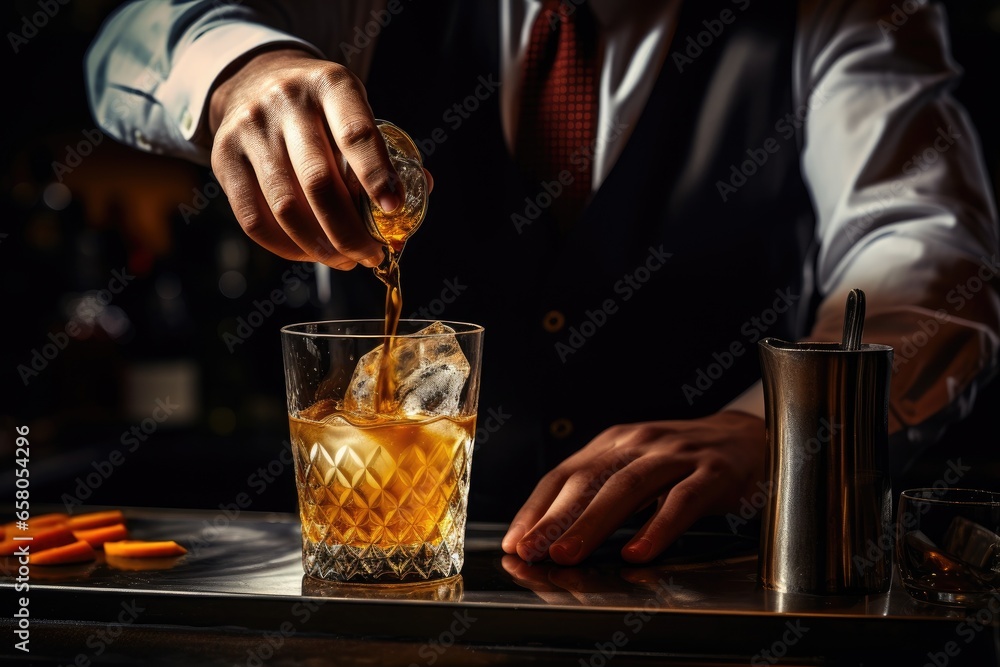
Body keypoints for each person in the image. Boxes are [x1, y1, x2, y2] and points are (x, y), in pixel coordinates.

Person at [85, 0, 1000, 566]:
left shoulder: (836, 9)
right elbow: (125, 36)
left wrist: (771, 429)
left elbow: (930, 259)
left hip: (710, 587)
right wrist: (238, 72)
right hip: (394, 597)